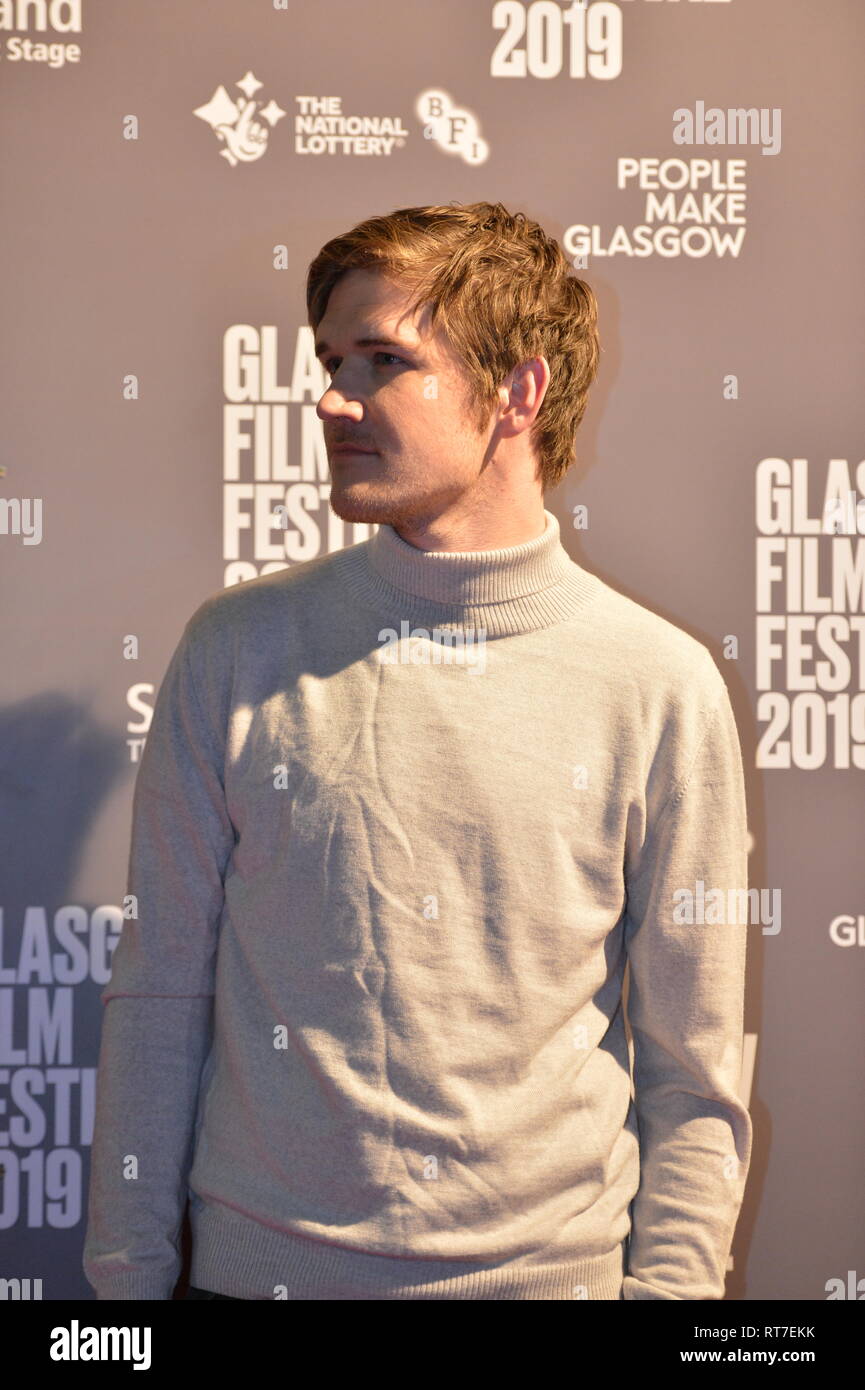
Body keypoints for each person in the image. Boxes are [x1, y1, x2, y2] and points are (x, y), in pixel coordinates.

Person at [83, 200, 752, 1301]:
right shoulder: (237, 650)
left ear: (516, 392)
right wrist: (125, 1298)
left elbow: (697, 1069)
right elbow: (159, 998)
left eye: (384, 359)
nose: (330, 395)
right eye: (331, 357)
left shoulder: (659, 686)